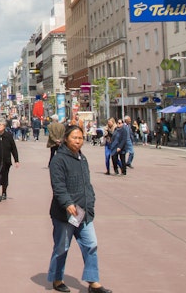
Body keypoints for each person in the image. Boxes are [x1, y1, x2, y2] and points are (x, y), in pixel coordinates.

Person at [48, 125, 111, 293]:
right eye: (74, 138)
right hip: (66, 213)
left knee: (91, 244)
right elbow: (58, 186)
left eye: (80, 138)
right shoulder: (58, 160)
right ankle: (57, 278)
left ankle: (93, 282)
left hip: (83, 211)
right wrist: (68, 203)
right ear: (66, 138)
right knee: (62, 247)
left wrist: (90, 200)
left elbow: (86, 183)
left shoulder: (82, 158)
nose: (78, 141)